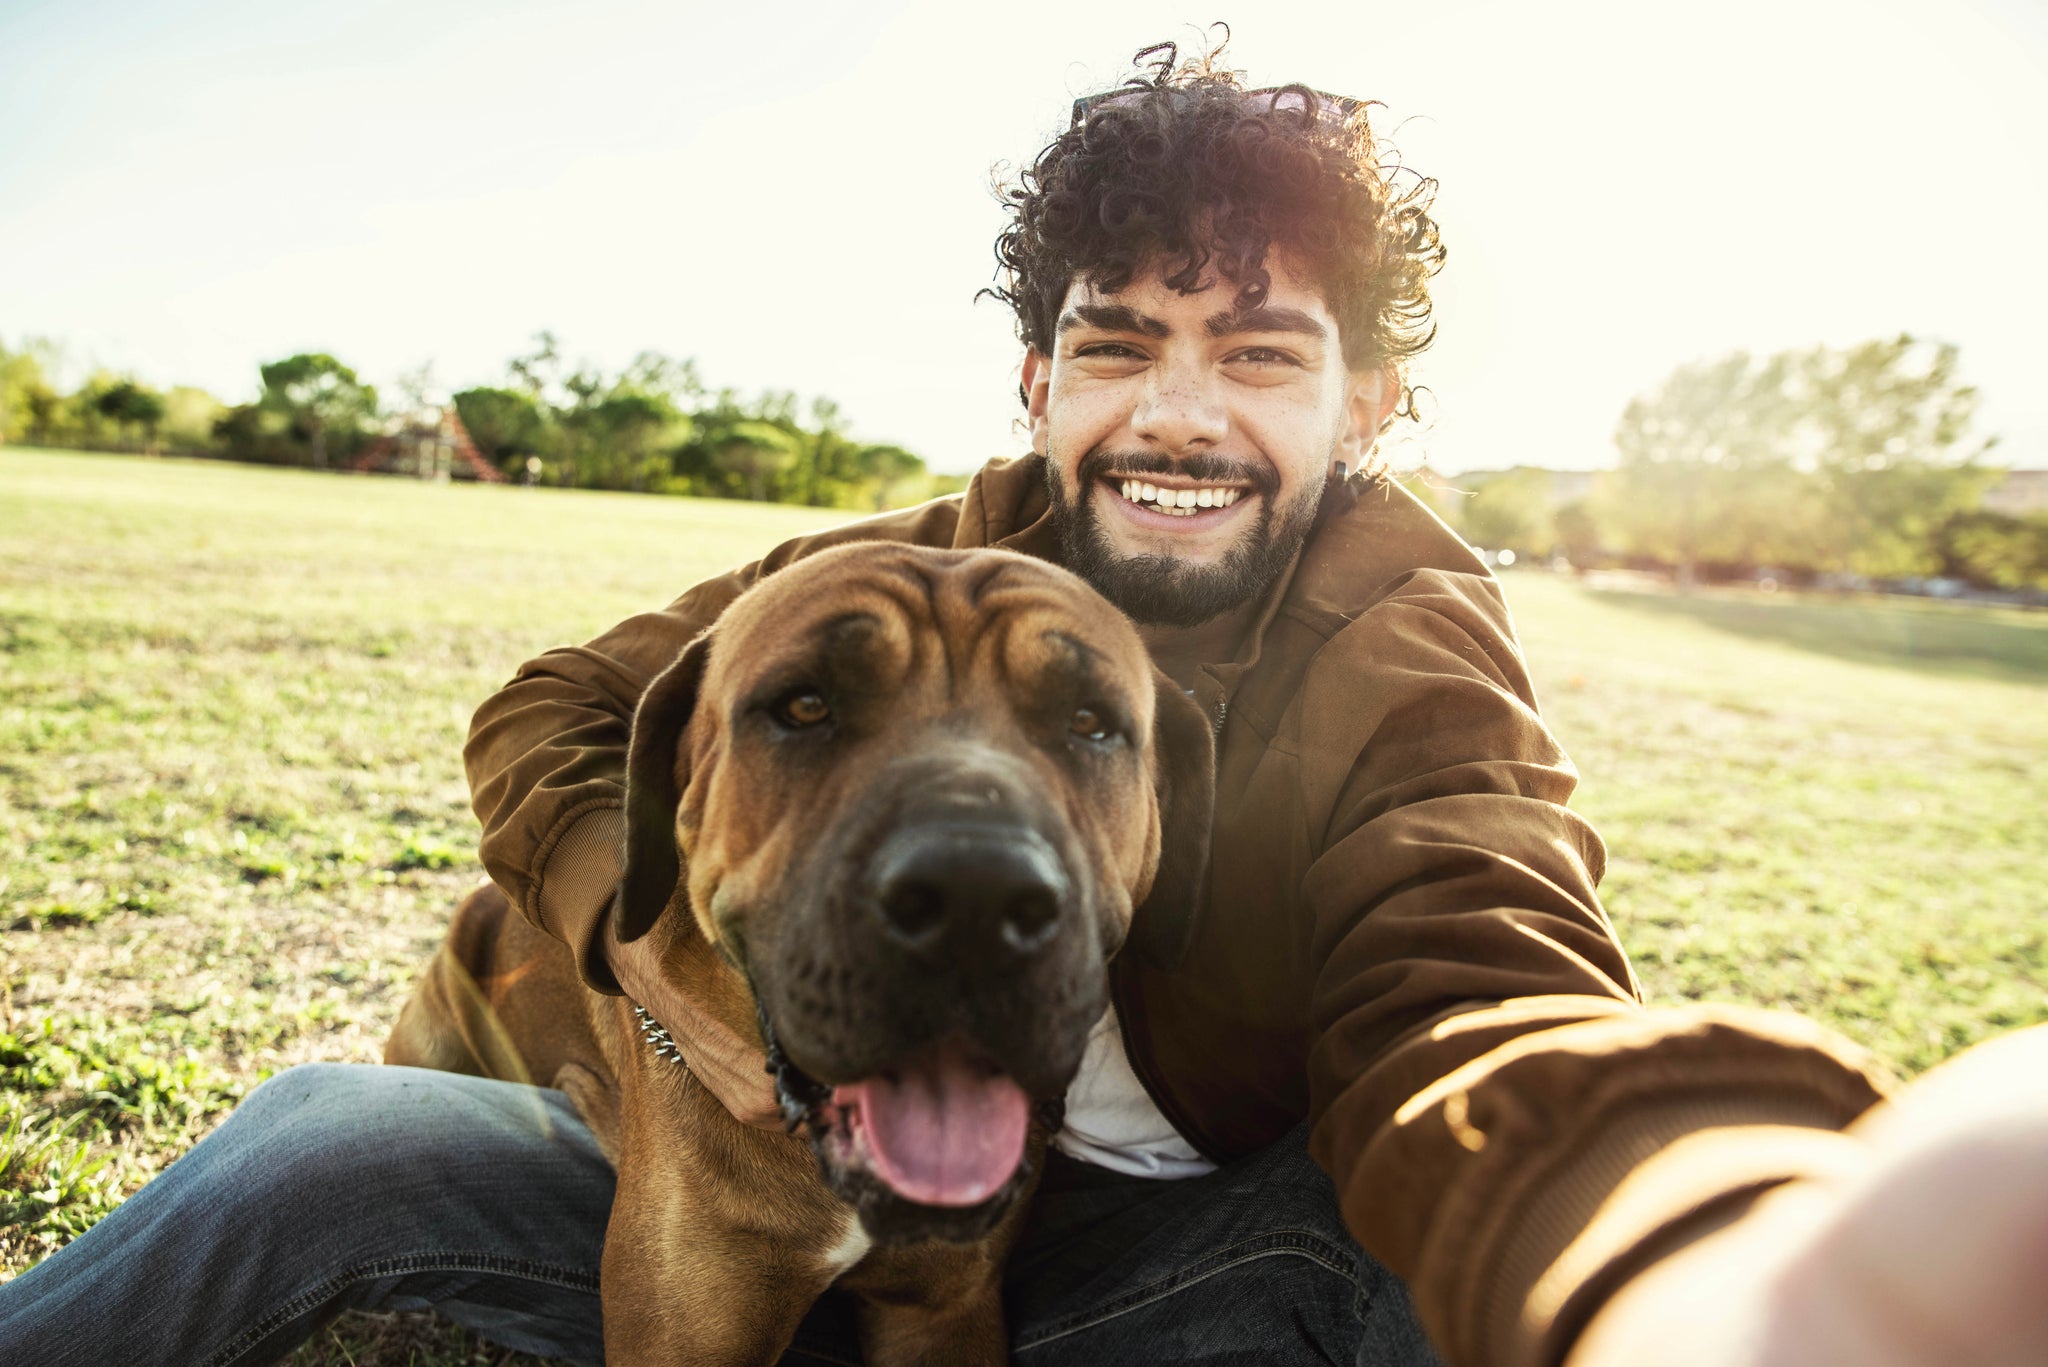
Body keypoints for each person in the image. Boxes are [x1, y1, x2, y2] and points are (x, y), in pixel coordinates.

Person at [4, 37, 2044, 1367]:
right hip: (731, 1154)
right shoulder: (892, 569)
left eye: (1261, 354)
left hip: (1140, 1260)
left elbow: (1478, 982)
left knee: (1401, 1263)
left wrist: (1708, 1257)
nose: (1178, 412)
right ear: (1039, 378)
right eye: (1119, 344)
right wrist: (657, 959)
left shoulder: (1409, 651)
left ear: (1366, 406)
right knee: (325, 1135)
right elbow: (558, 706)